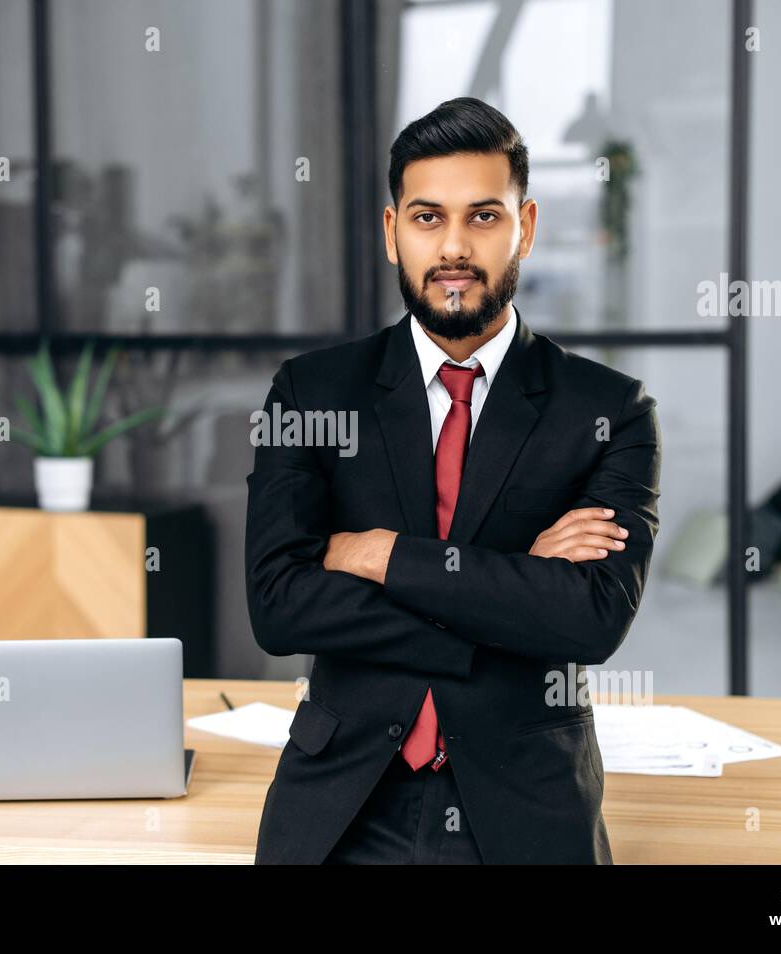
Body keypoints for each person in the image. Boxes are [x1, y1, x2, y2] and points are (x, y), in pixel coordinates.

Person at [245, 97, 661, 864]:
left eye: (484, 217)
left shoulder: (609, 409)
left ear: (525, 227)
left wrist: (376, 554)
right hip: (342, 805)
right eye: (428, 218)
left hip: (525, 806)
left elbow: (592, 621)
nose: (455, 248)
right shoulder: (311, 393)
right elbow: (277, 606)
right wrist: (515, 590)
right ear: (391, 231)